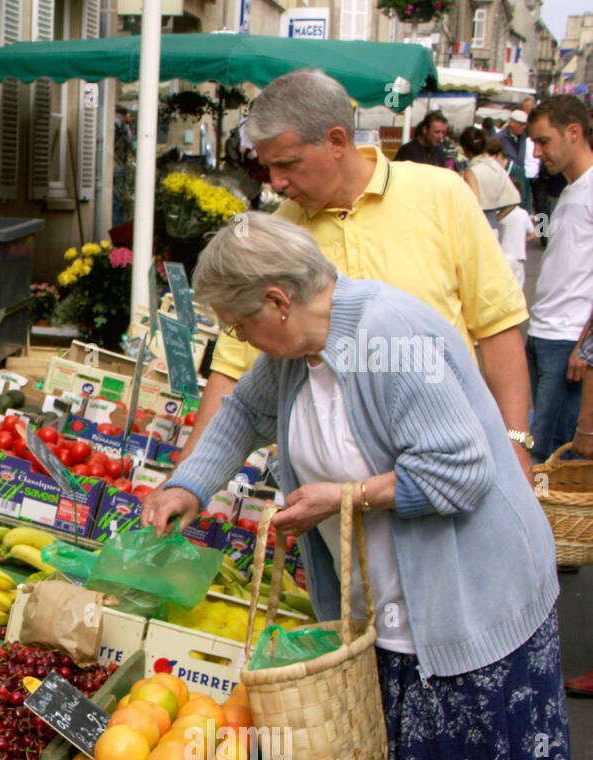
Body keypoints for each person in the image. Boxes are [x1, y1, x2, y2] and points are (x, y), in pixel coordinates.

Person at [141, 212, 572, 760]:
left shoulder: (394, 339)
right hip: (380, 598)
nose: (241, 340)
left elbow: (461, 472)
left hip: (462, 594)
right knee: (375, 757)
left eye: (241, 322)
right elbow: (243, 411)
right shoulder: (297, 350)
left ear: (276, 301)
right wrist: (187, 485)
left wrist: (346, 495)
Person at [179, 70, 534, 491]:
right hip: (329, 490)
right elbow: (233, 373)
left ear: (335, 141)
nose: (276, 182)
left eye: (288, 164)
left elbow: (496, 328)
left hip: (441, 474)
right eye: (268, 166)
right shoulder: (279, 232)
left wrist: (516, 442)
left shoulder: (442, 194)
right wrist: (186, 482)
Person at [525, 95, 593, 463]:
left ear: (573, 132)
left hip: (567, 340)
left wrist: (586, 346)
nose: (536, 152)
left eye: (543, 141)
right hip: (546, 333)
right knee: (540, 447)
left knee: (548, 460)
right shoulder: (571, 187)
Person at [459, 127, 521, 232]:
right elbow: (514, 199)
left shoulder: (471, 172)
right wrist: (496, 219)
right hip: (493, 226)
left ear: (465, 150)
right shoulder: (495, 166)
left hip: (477, 228)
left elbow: (473, 204)